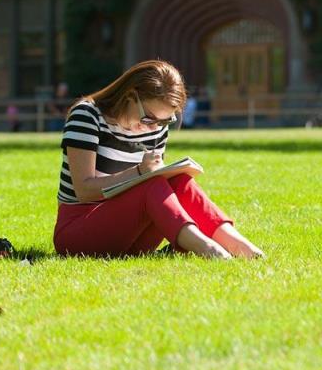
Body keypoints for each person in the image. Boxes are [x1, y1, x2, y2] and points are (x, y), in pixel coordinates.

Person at [54, 59, 264, 259]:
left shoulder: (156, 128)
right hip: (79, 231)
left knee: (178, 182)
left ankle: (240, 246)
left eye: (165, 121)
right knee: (151, 184)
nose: (153, 127)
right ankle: (207, 248)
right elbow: (83, 190)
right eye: (148, 118)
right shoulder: (87, 116)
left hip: (133, 236)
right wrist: (138, 172)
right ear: (130, 96)